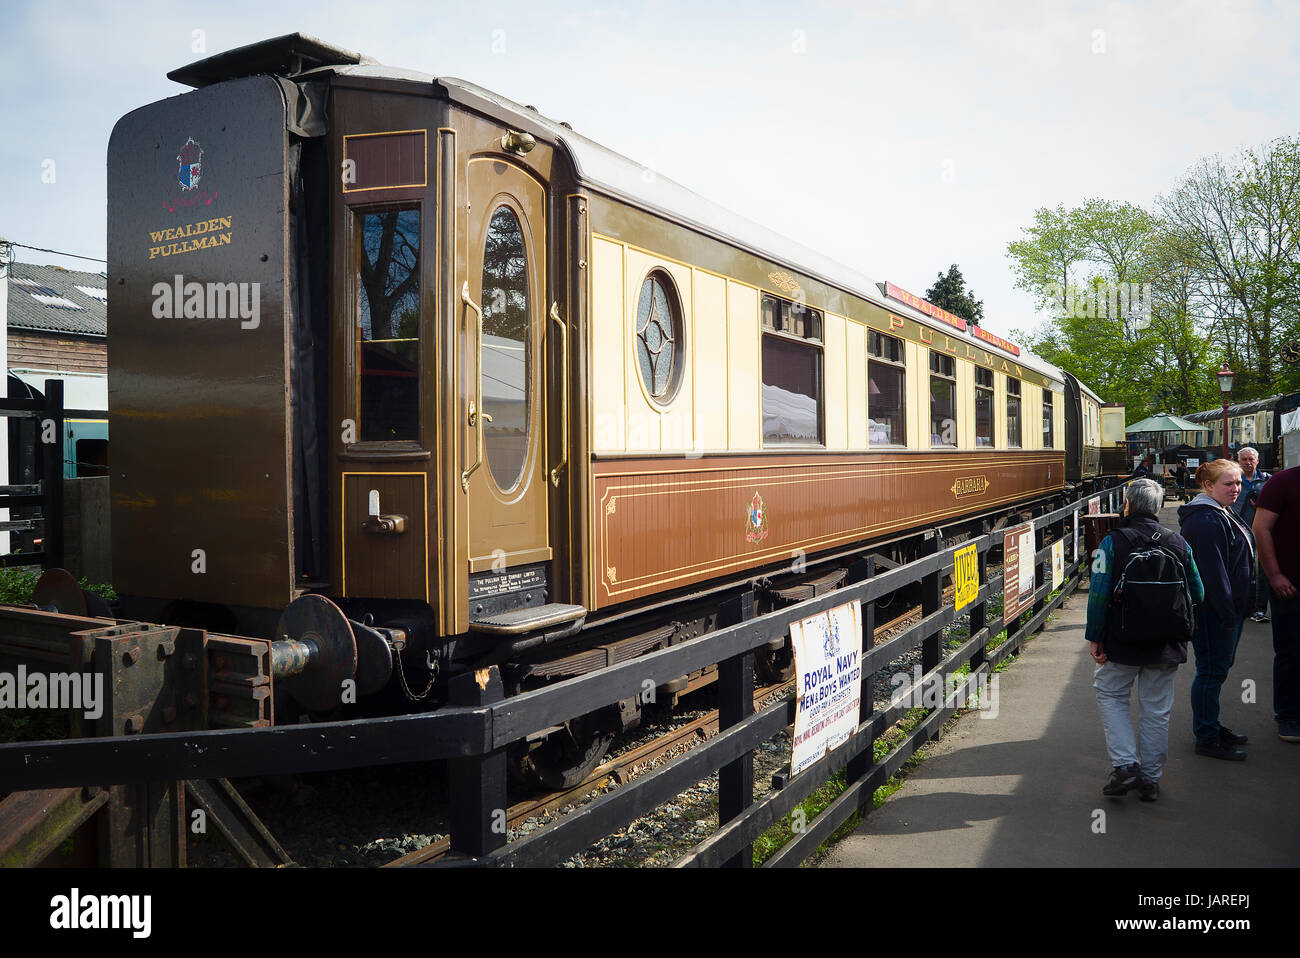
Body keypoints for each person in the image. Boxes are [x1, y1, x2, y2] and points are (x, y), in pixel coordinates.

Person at [1087, 478, 1204, 802]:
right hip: (1166, 643)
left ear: (1127, 504)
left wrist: (1095, 637)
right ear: (1156, 507)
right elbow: (1199, 592)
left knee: (1111, 695)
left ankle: (1126, 766)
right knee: (1156, 710)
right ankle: (1150, 780)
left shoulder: (1110, 543)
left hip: (1122, 641)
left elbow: (1098, 592)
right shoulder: (1178, 543)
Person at [1178, 459, 1255, 760]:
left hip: (1225, 611)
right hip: (1215, 613)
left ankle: (1210, 724)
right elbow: (1213, 574)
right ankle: (1206, 736)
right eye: (1228, 483)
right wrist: (1227, 614)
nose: (1236, 489)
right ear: (1208, 486)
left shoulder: (1218, 511)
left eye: (1238, 483)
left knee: (1216, 671)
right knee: (1210, 672)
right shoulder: (1206, 520)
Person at [1253, 465, 1300, 742]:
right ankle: (1289, 716)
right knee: (1291, 652)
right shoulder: (1282, 483)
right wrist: (1275, 576)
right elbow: (1261, 528)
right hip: (1291, 585)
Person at [1234, 447, 1272, 622]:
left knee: (1262, 571)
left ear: (1257, 461)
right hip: (1238, 532)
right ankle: (1241, 605)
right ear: (1238, 461)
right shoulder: (1233, 481)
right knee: (1240, 569)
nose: (1248, 463)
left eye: (1251, 459)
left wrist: (1262, 503)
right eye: (1244, 460)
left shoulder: (1268, 482)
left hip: (1262, 532)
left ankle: (1259, 609)